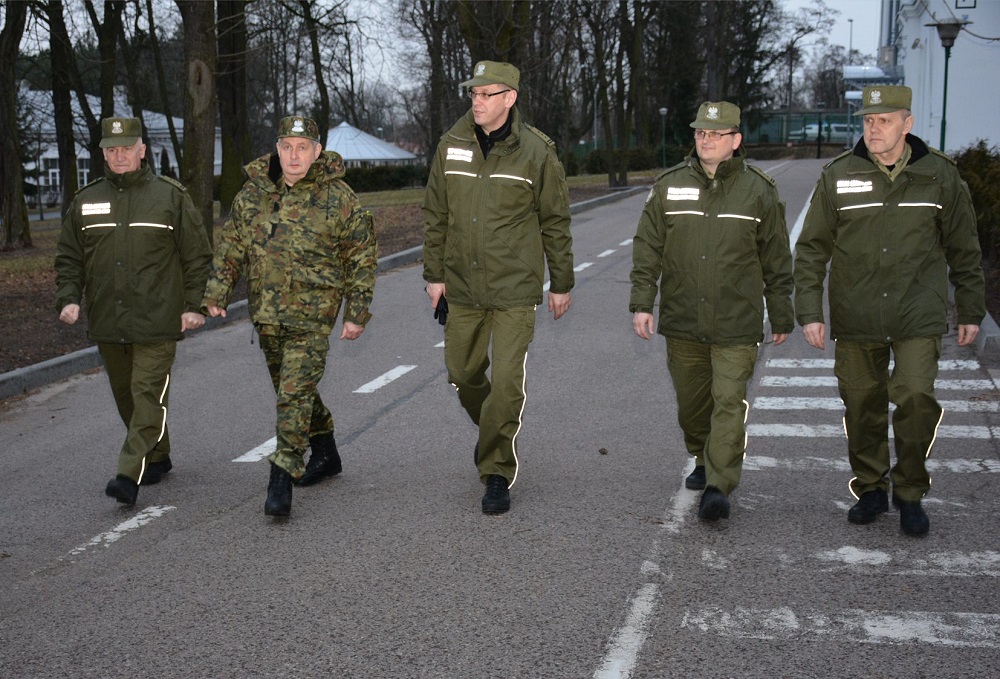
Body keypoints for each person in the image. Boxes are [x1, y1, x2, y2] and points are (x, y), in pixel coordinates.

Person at [794, 85, 984, 537]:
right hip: (856, 310)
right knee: (861, 404)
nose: (873, 129)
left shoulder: (939, 175)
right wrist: (809, 311)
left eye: (883, 120)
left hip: (917, 310)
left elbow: (964, 246)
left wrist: (971, 309)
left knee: (916, 397)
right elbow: (812, 249)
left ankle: (911, 491)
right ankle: (872, 488)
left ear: (907, 123)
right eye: (867, 121)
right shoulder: (839, 175)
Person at [203, 116, 377, 517]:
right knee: (293, 390)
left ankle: (281, 475)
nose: (294, 155)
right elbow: (231, 247)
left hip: (315, 315)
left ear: (317, 152)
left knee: (292, 394)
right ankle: (327, 451)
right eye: (287, 146)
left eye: (303, 147)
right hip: (266, 312)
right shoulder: (253, 195)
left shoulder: (339, 197)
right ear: (276, 150)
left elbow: (361, 257)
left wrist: (357, 312)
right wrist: (216, 293)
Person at [422, 60, 575, 515]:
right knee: (461, 373)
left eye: (487, 94)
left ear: (509, 98)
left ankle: (496, 472)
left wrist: (561, 282)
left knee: (506, 383)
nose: (477, 101)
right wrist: (434, 274)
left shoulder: (536, 152)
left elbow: (555, 221)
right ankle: (494, 431)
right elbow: (435, 214)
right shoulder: (450, 145)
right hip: (462, 287)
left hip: (513, 288)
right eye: (474, 93)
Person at [629, 101, 793, 522]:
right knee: (692, 404)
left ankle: (719, 485)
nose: (706, 140)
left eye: (716, 134)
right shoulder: (669, 186)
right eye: (701, 132)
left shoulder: (759, 190)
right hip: (683, 318)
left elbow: (776, 256)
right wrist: (643, 303)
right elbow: (648, 248)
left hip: (736, 320)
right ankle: (702, 456)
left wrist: (781, 311)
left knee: (728, 401)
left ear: (736, 141)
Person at [55, 116, 212, 506]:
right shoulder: (86, 200)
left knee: (145, 394)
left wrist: (194, 306)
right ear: (104, 153)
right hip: (108, 321)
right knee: (128, 397)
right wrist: (69, 297)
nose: (119, 155)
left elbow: (197, 257)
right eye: (112, 149)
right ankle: (157, 455)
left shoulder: (170, 197)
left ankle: (129, 473)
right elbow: (69, 257)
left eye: (127, 148)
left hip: (158, 320)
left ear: (142, 150)